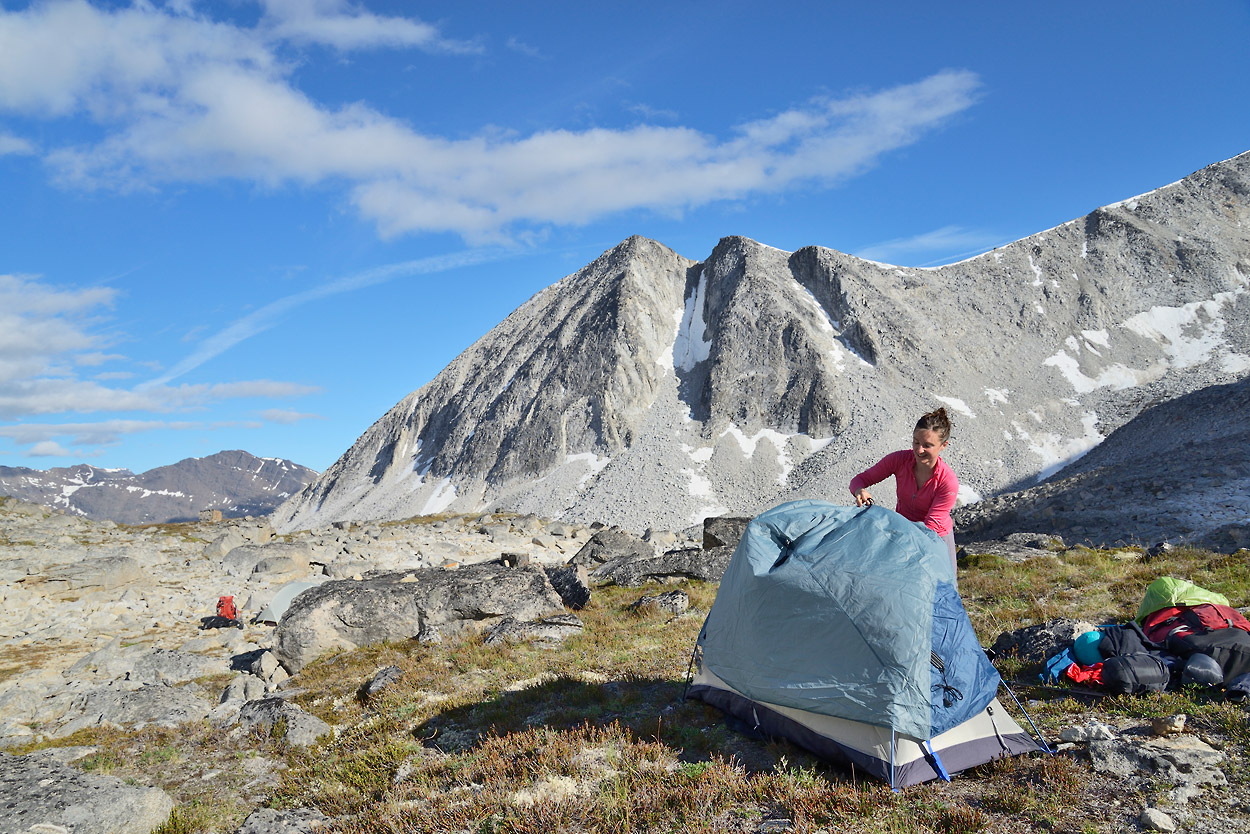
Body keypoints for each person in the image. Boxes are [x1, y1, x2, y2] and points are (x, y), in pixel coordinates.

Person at [849, 408, 959, 579]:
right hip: (903, 530)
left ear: (943, 445)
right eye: (916, 442)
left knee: (942, 586)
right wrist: (860, 490)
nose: (919, 450)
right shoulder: (899, 460)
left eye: (927, 445)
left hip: (936, 539)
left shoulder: (947, 481)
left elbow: (930, 527)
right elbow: (860, 479)